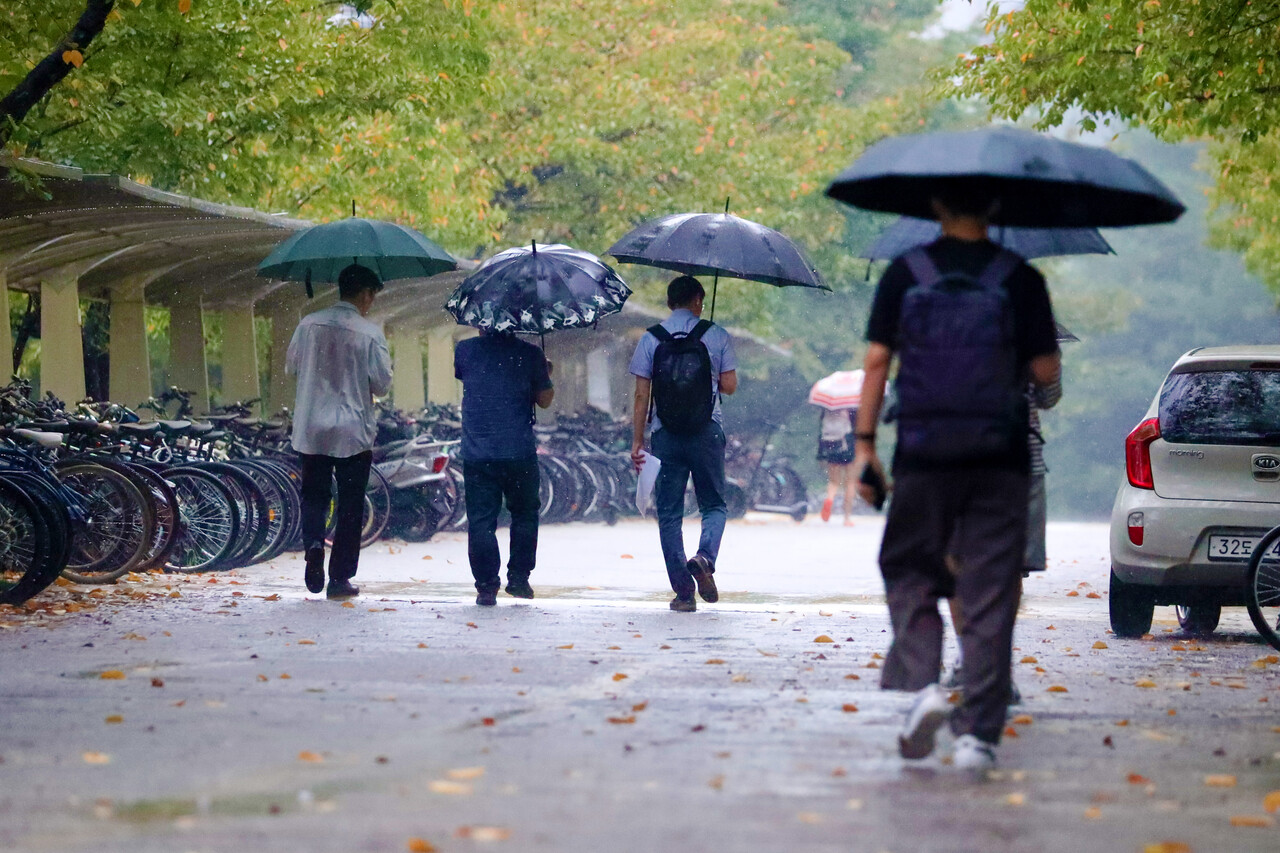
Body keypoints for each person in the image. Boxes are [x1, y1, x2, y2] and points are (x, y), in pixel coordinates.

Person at [853, 186, 1061, 772]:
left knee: (908, 568)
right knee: (990, 589)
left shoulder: (906, 272)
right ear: (994, 208)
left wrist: (865, 446)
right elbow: (1046, 371)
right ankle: (978, 737)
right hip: (1000, 459)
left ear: (936, 207)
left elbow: (876, 362)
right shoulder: (1021, 278)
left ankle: (924, 686)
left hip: (924, 453)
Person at [629, 275, 738, 613]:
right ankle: (705, 557)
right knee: (714, 505)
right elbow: (730, 386)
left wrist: (637, 441)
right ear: (698, 302)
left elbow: (641, 395)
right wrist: (712, 370)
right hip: (706, 432)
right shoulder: (716, 335)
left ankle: (684, 593)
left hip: (666, 436)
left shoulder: (651, 338)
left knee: (669, 513)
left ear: (668, 303)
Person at [287, 263, 392, 600]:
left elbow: (292, 367)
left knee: (314, 494)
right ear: (366, 294)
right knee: (350, 503)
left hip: (312, 426)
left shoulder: (308, 324)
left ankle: (314, 545)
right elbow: (382, 384)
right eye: (372, 296)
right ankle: (339, 578)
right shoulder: (370, 333)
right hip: (353, 430)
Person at [454, 328, 554, 606]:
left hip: (478, 452)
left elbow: (471, 377)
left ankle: (486, 586)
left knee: (481, 520)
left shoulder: (465, 350)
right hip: (518, 451)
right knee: (524, 513)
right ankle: (519, 578)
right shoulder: (531, 353)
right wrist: (544, 372)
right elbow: (545, 400)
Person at [817, 406, 858, 525]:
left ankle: (829, 499)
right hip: (848, 445)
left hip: (832, 445)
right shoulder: (850, 406)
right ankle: (847, 518)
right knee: (850, 483)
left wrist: (820, 455)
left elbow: (821, 430)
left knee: (833, 481)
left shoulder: (827, 407)